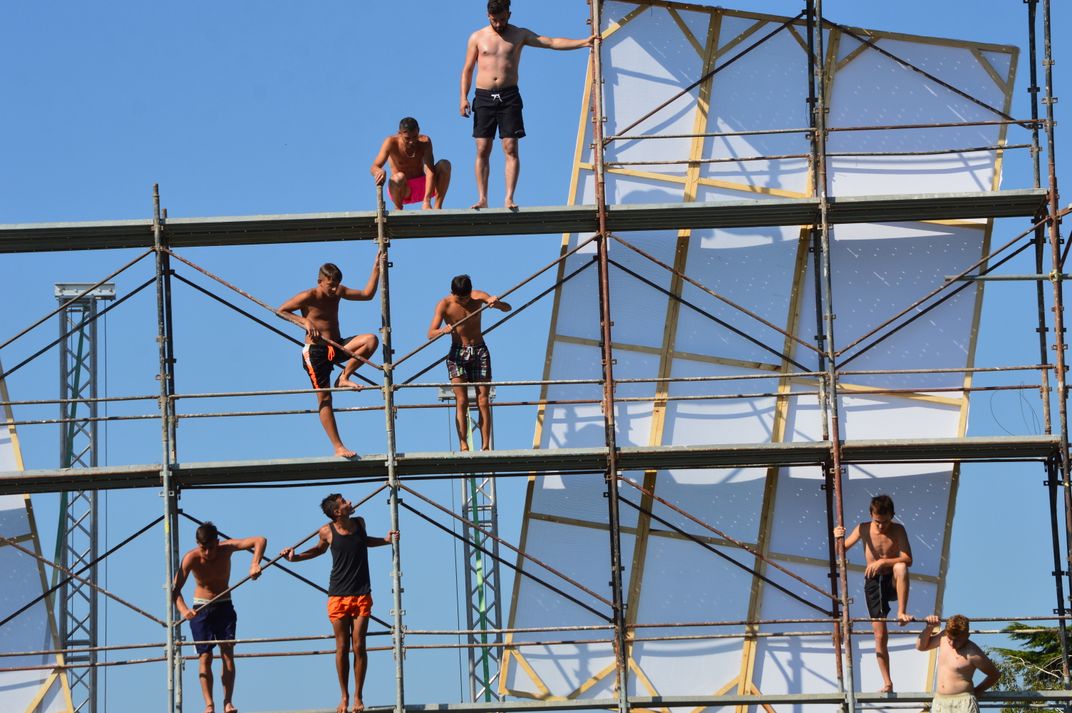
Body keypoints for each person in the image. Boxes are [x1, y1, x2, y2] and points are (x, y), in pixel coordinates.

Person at [459, 0, 594, 209]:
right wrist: (463, 97)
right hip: (484, 96)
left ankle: (509, 198)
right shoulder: (477, 37)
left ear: (509, 15)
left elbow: (550, 42)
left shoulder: (519, 34)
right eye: (494, 20)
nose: (498, 24)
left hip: (509, 96)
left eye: (502, 19)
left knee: (510, 146)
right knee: (483, 148)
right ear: (488, 16)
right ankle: (483, 198)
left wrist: (583, 42)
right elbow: (467, 69)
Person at [281, 494, 398, 713]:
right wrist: (294, 558)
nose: (350, 502)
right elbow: (317, 550)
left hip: (362, 593)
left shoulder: (360, 523)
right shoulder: (326, 531)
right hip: (338, 595)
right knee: (342, 647)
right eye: (344, 502)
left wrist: (385, 540)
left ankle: (358, 696)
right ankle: (343, 696)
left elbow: (365, 541)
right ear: (337, 512)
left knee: (359, 645)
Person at [280, 254, 381, 458]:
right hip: (316, 352)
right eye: (330, 285)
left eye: (337, 285)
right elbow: (281, 311)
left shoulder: (339, 292)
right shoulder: (307, 296)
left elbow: (367, 294)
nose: (334, 290)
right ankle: (338, 446)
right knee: (325, 398)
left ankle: (344, 377)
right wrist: (305, 323)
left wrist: (376, 267)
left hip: (336, 345)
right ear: (320, 282)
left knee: (371, 340)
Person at [173, 522, 267, 713]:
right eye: (203, 548)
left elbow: (260, 540)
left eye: (211, 548)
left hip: (224, 605)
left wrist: (254, 563)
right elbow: (175, 590)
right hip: (201, 609)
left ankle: (227, 702)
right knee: (205, 656)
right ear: (198, 545)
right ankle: (209, 704)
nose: (208, 553)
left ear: (217, 542)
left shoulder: (226, 549)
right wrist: (184, 611)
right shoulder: (191, 558)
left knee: (227, 653)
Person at [833, 494, 914, 692]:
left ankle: (901, 612)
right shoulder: (862, 528)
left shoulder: (898, 530)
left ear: (892, 516)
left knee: (901, 567)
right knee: (879, 636)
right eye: (877, 522)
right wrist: (838, 537)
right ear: (871, 515)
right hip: (873, 582)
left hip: (893, 580)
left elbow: (908, 558)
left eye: (885, 522)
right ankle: (887, 682)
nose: (881, 527)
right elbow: (840, 550)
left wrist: (883, 562)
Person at [427, 274, 511, 451]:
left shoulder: (478, 296)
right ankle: (463, 444)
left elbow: (507, 308)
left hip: (479, 351)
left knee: (483, 400)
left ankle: (486, 445)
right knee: (462, 400)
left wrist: (497, 303)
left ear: (470, 292)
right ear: (452, 293)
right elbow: (430, 333)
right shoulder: (445, 304)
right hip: (457, 352)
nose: (464, 301)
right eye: (460, 298)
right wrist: (443, 330)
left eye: (466, 297)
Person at [916, 614, 1000, 713]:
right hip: (939, 702)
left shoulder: (973, 652)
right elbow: (920, 647)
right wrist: (929, 627)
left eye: (958, 640)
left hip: (963, 704)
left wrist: (977, 691)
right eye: (950, 638)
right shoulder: (943, 638)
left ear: (967, 636)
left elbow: (995, 675)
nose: (952, 643)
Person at [370, 117, 451, 210]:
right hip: (403, 189)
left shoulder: (425, 142)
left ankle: (437, 208)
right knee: (398, 177)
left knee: (445, 165)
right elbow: (374, 167)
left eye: (414, 137)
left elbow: (430, 171)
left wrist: (427, 201)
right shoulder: (391, 143)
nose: (411, 142)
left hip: (424, 187)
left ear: (418, 131)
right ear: (399, 134)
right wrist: (378, 171)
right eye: (407, 138)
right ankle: (398, 209)